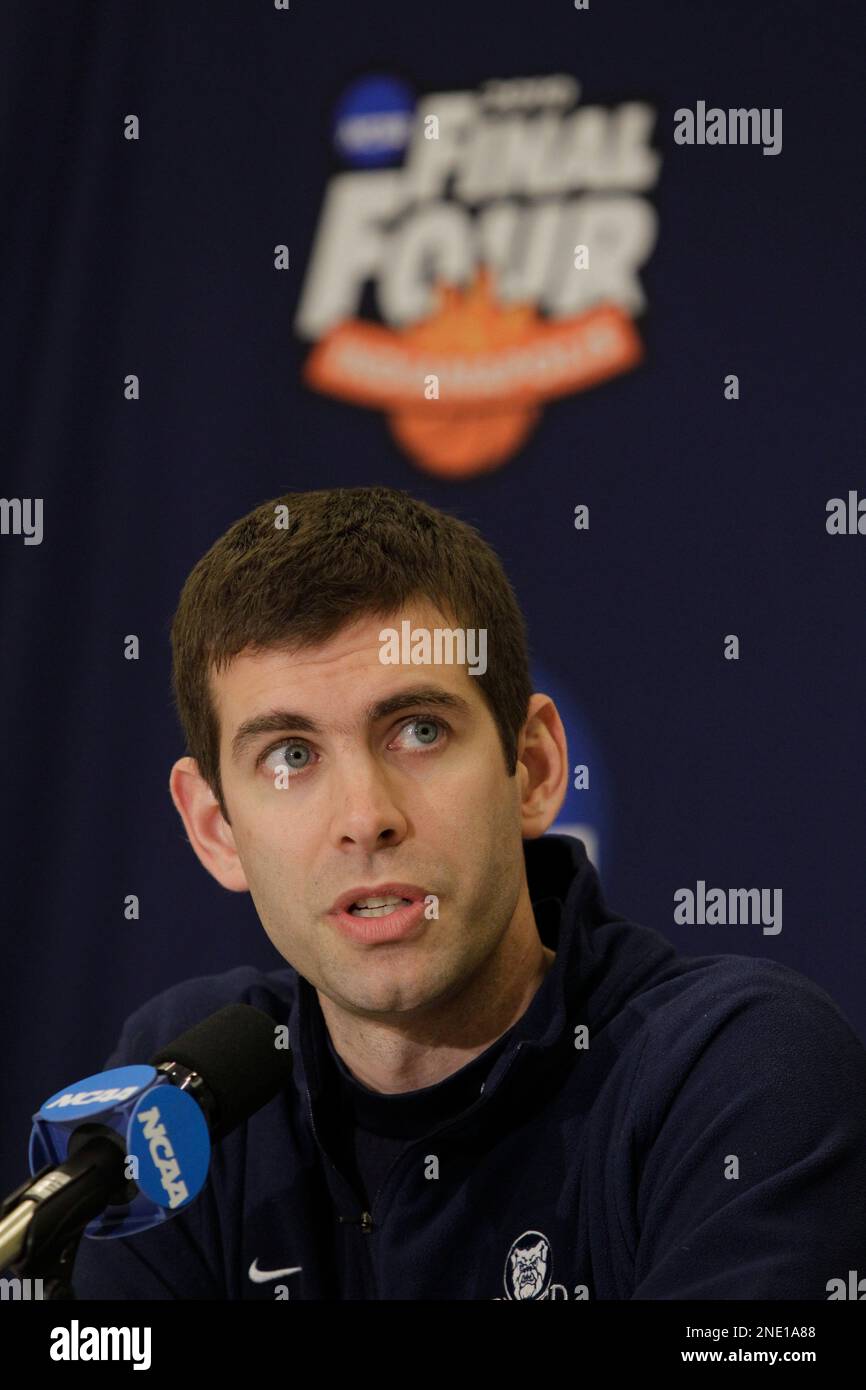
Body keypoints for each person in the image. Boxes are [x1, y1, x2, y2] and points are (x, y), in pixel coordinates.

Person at [72, 485, 866, 1300]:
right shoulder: (184, 1097)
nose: (366, 817)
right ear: (215, 828)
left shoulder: (740, 1071)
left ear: (536, 768)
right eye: (290, 756)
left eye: (419, 730)